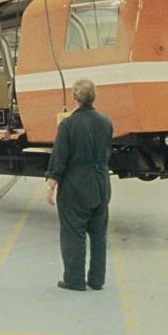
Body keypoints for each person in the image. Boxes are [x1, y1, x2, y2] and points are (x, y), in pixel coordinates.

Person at [45, 78, 113, 292]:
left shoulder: (68, 124)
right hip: (101, 184)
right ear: (94, 97)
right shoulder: (106, 122)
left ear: (75, 97)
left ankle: (74, 280)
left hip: (75, 186)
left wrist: (51, 185)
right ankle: (97, 280)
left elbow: (59, 157)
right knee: (99, 234)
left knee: (73, 232)